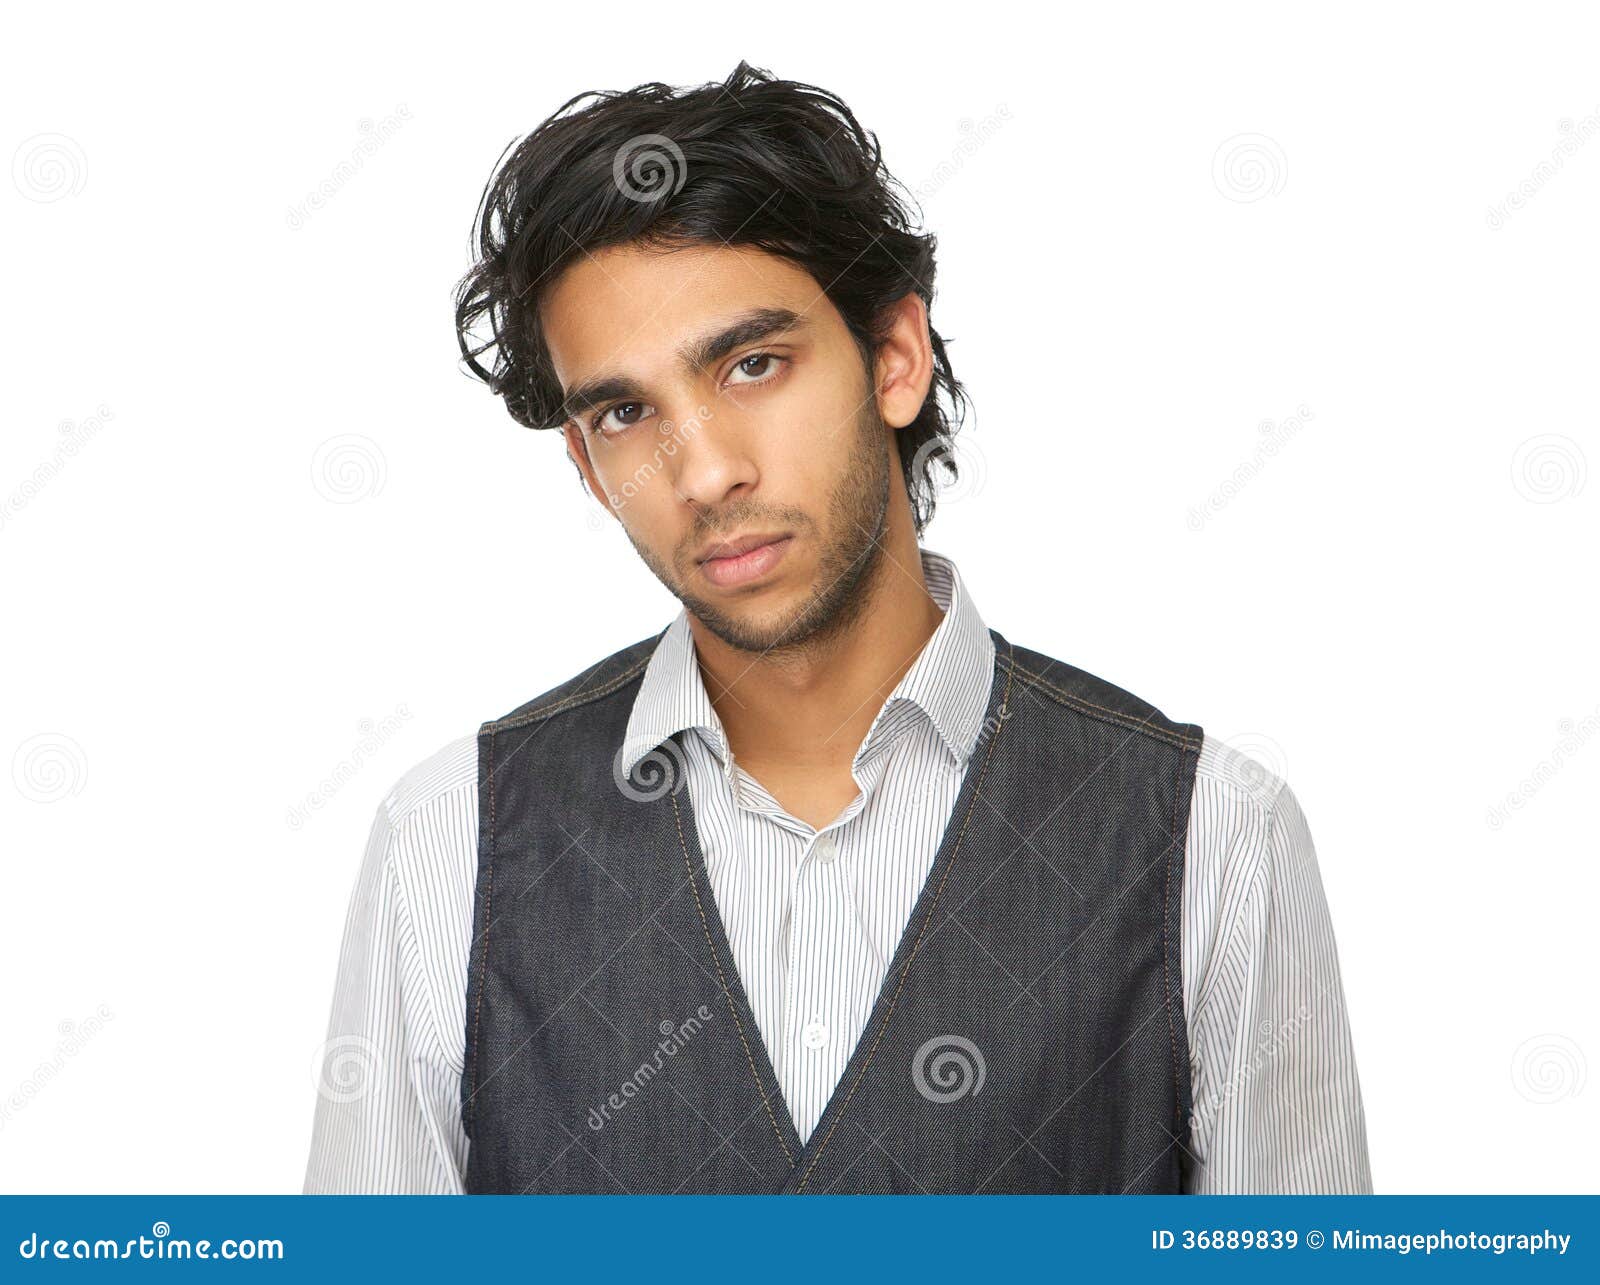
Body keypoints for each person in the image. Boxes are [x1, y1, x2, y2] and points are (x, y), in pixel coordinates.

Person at [303, 61, 1371, 1195]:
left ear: (894, 358)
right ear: (585, 462)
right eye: (626, 412)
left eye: (753, 364)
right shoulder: (450, 841)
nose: (706, 470)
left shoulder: (1211, 834)